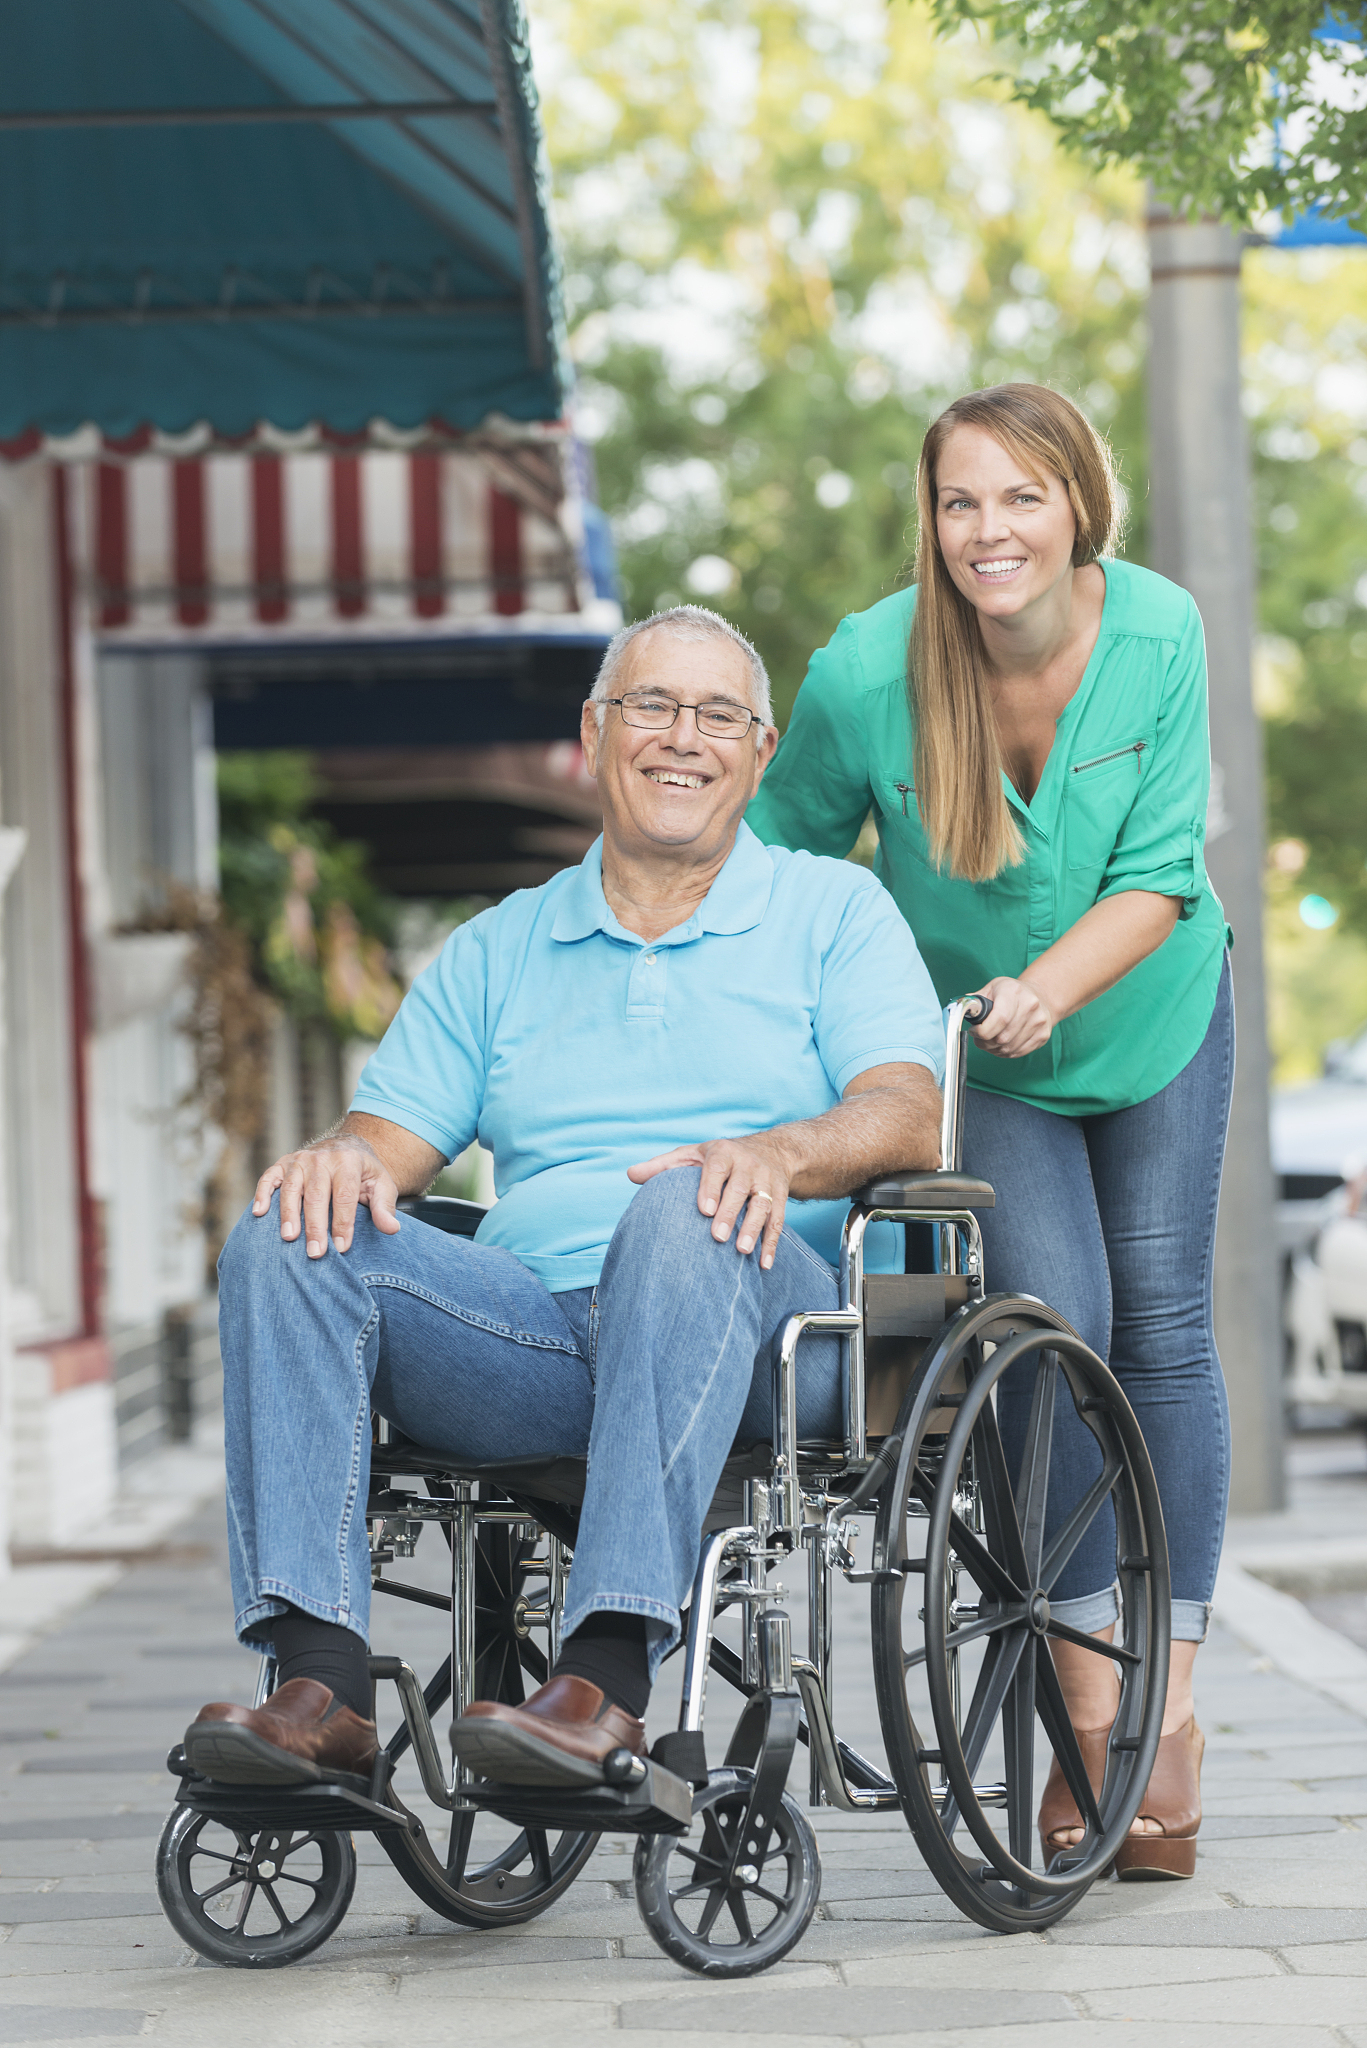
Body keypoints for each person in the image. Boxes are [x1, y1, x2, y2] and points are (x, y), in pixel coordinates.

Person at [185, 604, 945, 1793]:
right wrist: (337, 1155)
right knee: (291, 1226)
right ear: (594, 733)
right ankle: (319, 1682)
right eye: (649, 705)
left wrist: (773, 1151)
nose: (679, 736)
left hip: (766, 1329)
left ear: (759, 750)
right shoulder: (501, 944)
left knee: (687, 1197)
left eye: (716, 714)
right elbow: (383, 1138)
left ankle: (603, 1673)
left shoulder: (830, 911)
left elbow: (906, 1106)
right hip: (534, 1337)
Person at [747, 383, 1232, 1880]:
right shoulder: (864, 672)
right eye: (959, 502)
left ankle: (1174, 1711)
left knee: (1156, 1325)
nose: (986, 531)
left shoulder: (1155, 633)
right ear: (929, 518)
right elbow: (779, 861)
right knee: (1049, 1327)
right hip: (979, 1061)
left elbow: (1154, 877)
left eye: (1018, 497)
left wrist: (1045, 982)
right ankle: (1096, 1706)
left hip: (1145, 1013)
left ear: (1077, 500)